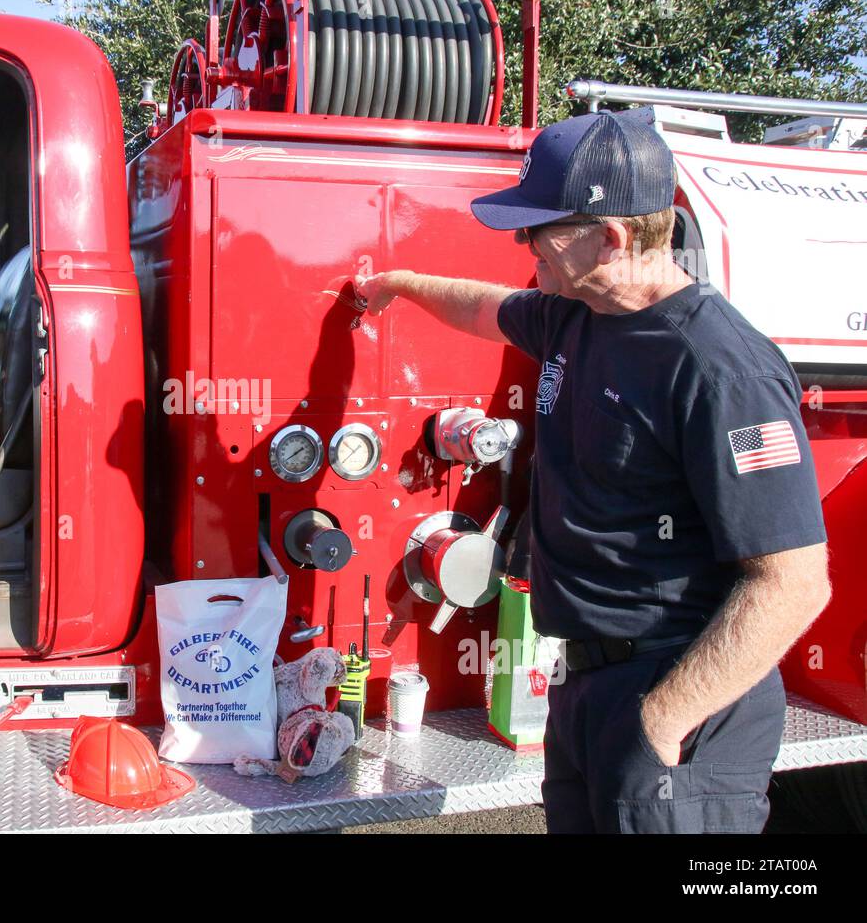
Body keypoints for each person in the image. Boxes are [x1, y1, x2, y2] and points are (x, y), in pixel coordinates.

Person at [355, 111, 830, 833]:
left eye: (539, 227)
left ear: (611, 237)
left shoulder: (717, 367)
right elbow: (483, 308)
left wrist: (663, 722)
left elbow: (793, 583)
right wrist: (402, 282)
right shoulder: (576, 316)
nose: (521, 243)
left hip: (675, 702)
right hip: (588, 692)